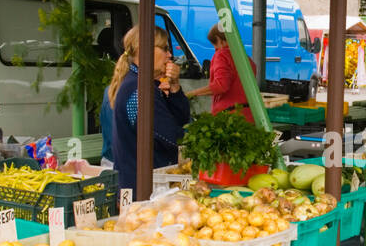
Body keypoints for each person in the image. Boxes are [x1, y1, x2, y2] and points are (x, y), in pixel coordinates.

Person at [109, 25, 189, 194]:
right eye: (165, 49)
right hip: (141, 190)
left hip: (146, 184)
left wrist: (175, 87)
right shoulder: (138, 90)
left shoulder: (144, 84)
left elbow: (180, 119)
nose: (170, 55)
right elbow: (170, 137)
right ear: (145, 49)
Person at [189, 24, 257, 120]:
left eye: (215, 44)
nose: (215, 49)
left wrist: (192, 93)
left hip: (229, 117)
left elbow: (221, 86)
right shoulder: (246, 58)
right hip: (249, 116)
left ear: (219, 39)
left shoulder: (221, 55)